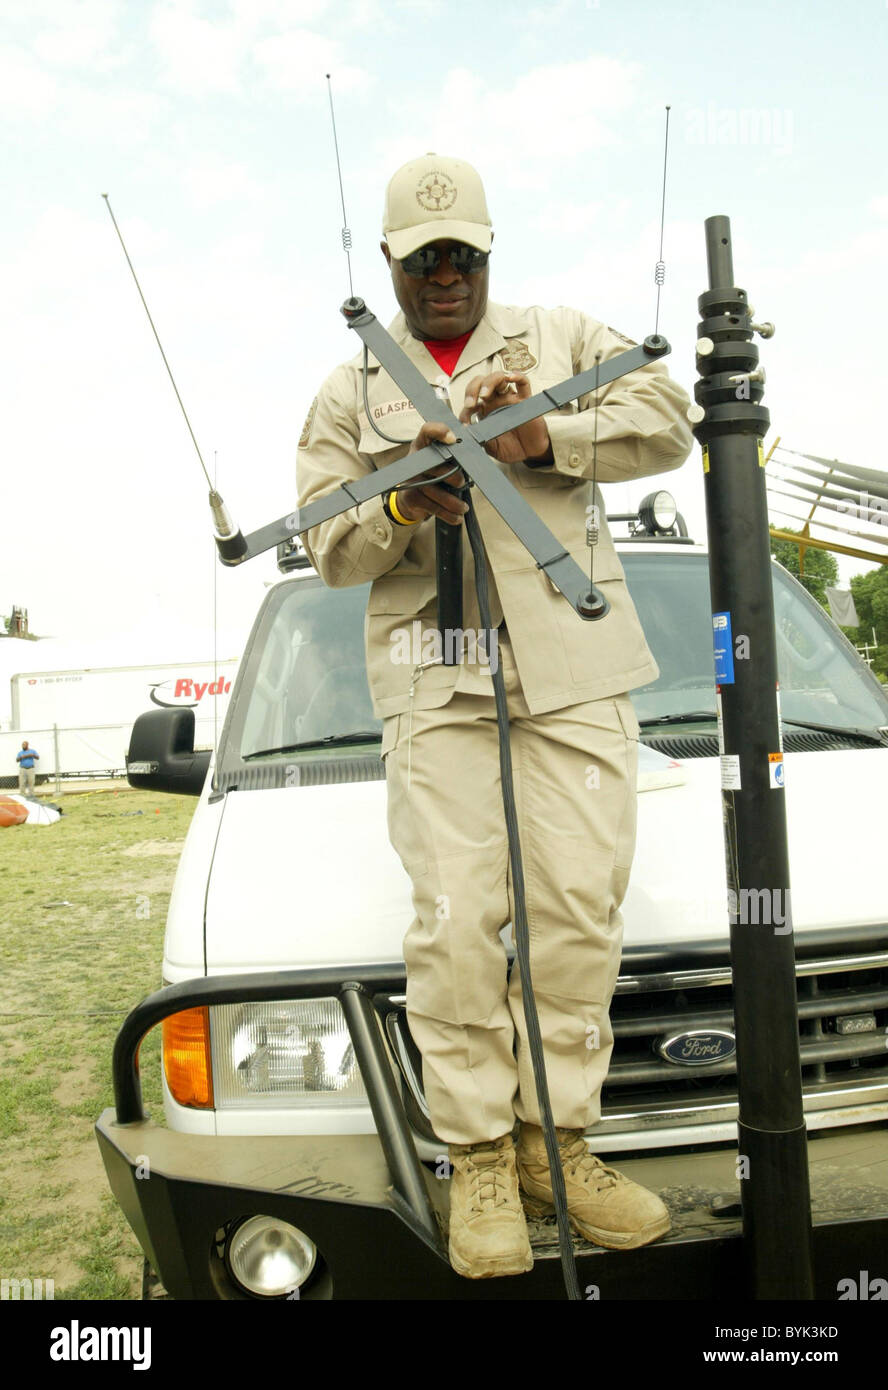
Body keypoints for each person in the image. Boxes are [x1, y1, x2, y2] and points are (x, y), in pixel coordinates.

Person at [297, 153, 694, 1279]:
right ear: (391, 261)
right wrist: (395, 504)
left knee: (577, 906)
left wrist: (543, 439)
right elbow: (326, 544)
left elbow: (668, 414)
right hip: (437, 671)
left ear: (487, 252)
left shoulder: (561, 335)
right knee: (459, 918)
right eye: (423, 259)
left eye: (462, 255)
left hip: (573, 658)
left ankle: (557, 1145)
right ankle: (477, 1155)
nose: (444, 275)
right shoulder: (347, 392)